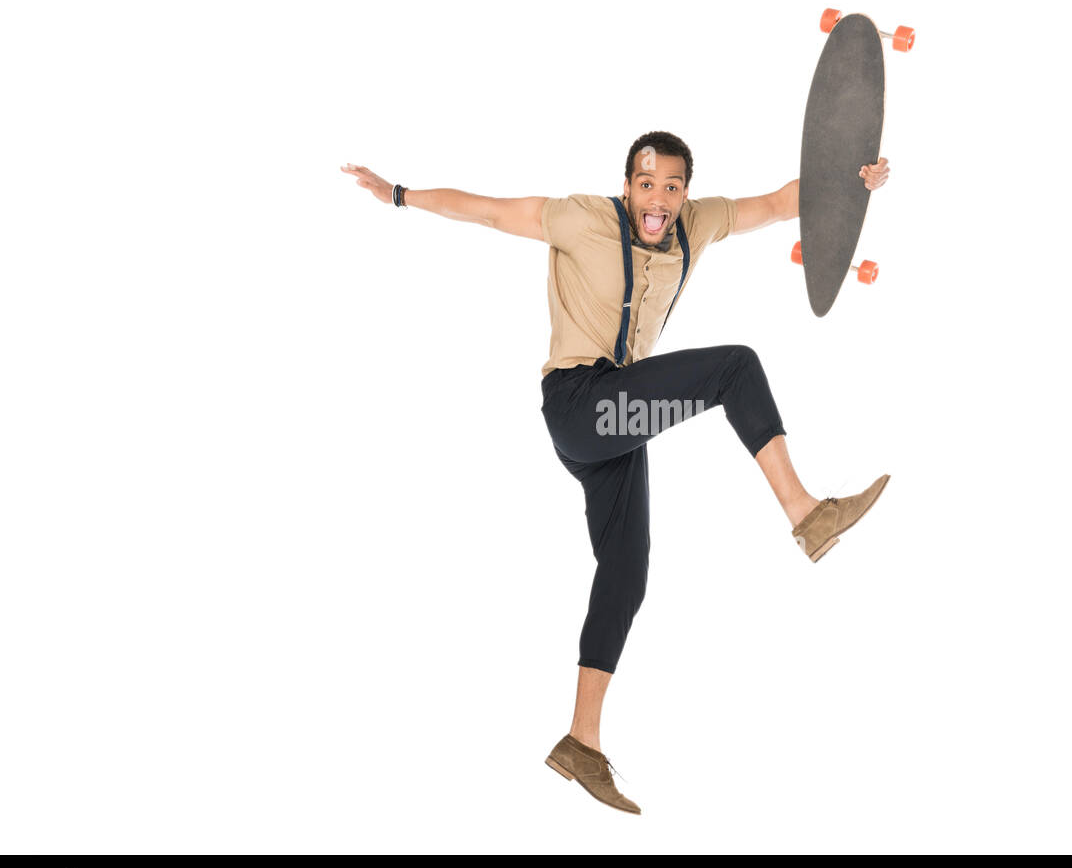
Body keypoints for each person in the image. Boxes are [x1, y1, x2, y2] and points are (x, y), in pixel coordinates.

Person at [340, 132, 891, 815]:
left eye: (672, 185)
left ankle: (581, 739)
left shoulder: (698, 222)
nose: (658, 198)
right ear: (627, 185)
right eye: (646, 182)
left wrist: (849, 179)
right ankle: (806, 513)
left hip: (617, 422)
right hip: (579, 406)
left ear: (685, 190)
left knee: (626, 574)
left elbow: (781, 203)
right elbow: (484, 209)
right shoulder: (581, 219)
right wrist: (397, 193)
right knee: (734, 368)